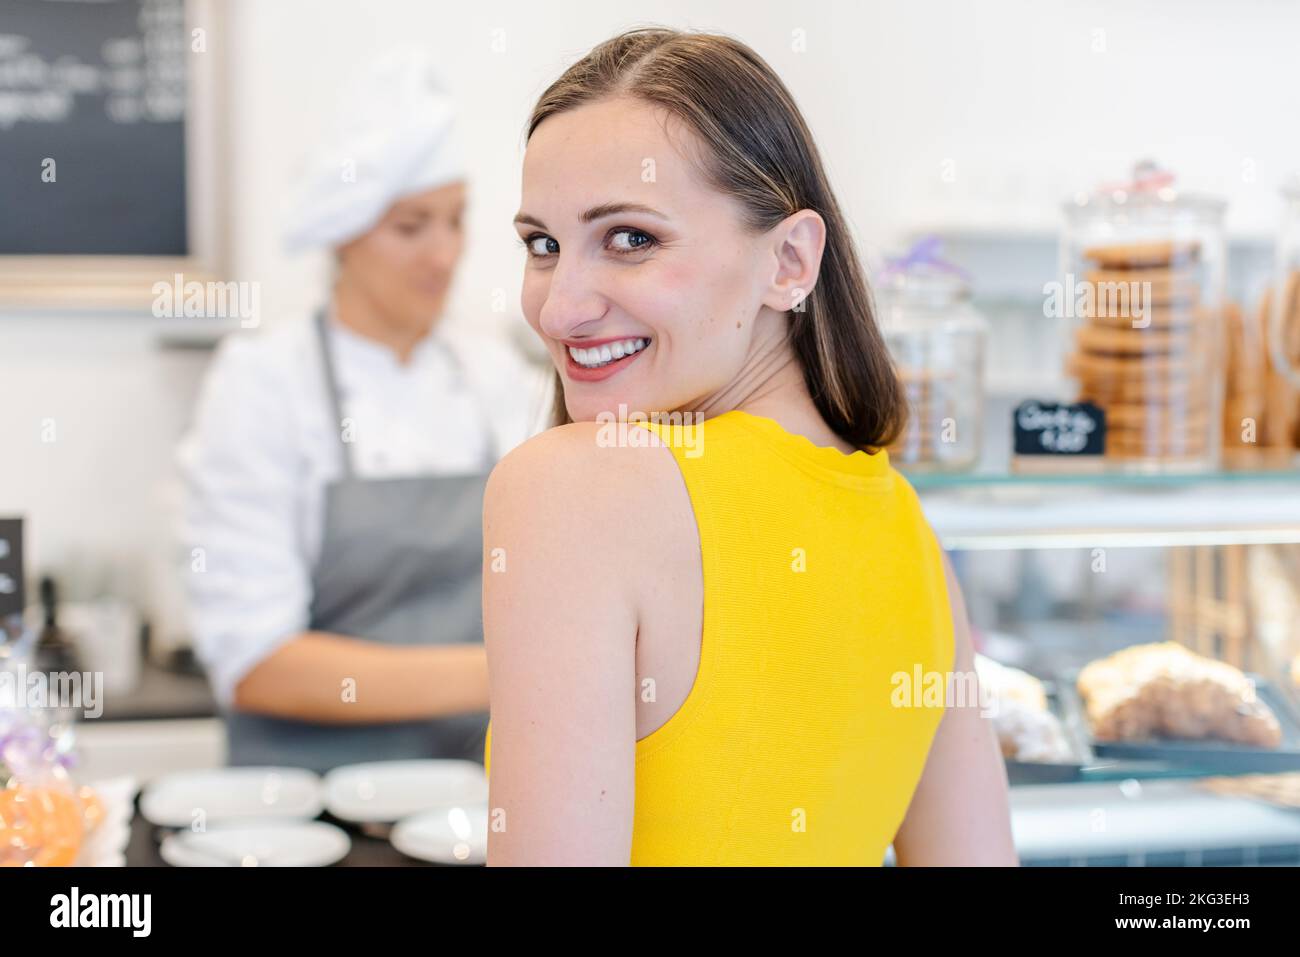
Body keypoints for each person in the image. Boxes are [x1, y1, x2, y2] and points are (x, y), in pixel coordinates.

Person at [480, 28, 1017, 865]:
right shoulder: (905, 529)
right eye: (542, 245)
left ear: (790, 261)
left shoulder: (570, 488)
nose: (558, 309)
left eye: (630, 238)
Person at [176, 49, 546, 772]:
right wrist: (517, 675)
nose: (444, 255)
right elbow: (255, 660)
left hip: (472, 799)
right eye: (412, 227)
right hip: (301, 811)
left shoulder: (495, 374)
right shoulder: (262, 384)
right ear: (344, 233)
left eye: (458, 220)